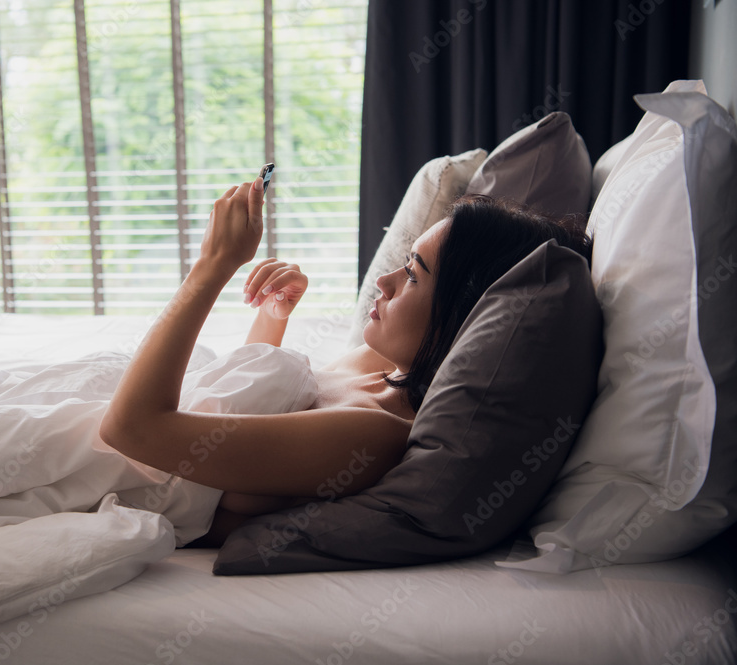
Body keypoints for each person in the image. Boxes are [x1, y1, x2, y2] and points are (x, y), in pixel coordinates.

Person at [99, 178, 592, 546]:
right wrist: (272, 317)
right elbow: (241, 407)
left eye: (414, 276)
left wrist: (211, 268)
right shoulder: (377, 364)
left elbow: (131, 429)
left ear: (461, 315)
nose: (385, 282)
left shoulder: (372, 435)